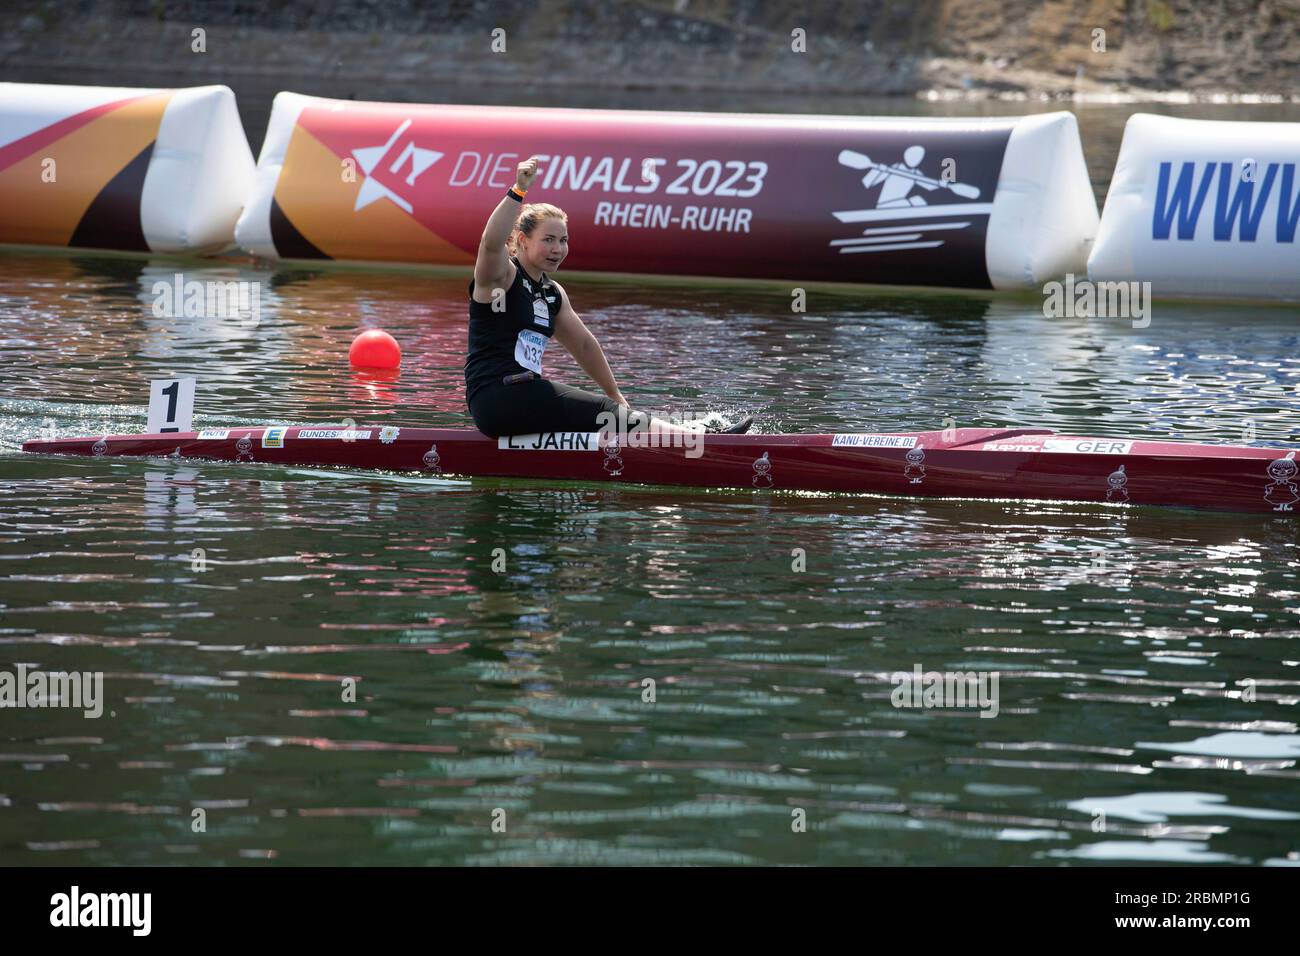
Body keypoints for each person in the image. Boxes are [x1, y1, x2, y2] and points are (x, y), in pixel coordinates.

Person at [465, 155, 751, 439]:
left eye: (563, 240)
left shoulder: (552, 294)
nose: (557, 249)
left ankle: (688, 432)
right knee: (602, 411)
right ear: (522, 241)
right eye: (548, 240)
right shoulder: (501, 278)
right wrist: (518, 190)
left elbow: (585, 346)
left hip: (525, 400)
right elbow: (489, 244)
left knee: (606, 412)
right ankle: (702, 441)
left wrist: (615, 395)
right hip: (496, 397)